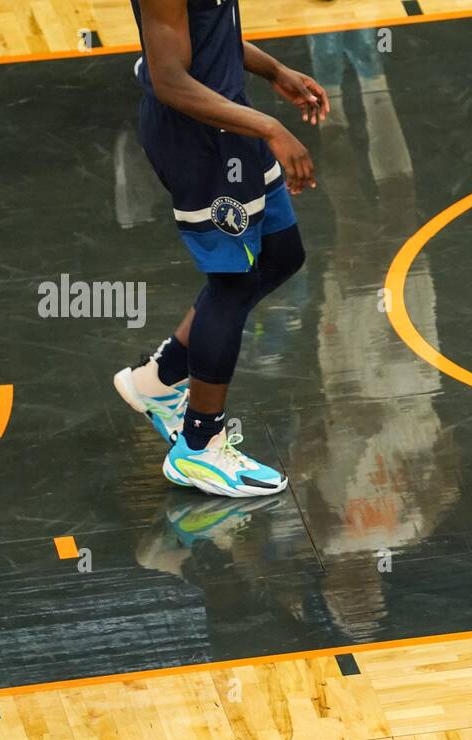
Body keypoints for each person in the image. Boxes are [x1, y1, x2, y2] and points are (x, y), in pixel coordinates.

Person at [113, 0, 329, 497]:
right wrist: (270, 127)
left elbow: (211, 31)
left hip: (232, 121)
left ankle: (159, 380)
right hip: (199, 141)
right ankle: (199, 447)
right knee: (232, 283)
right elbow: (169, 79)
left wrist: (273, 69)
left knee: (281, 254)